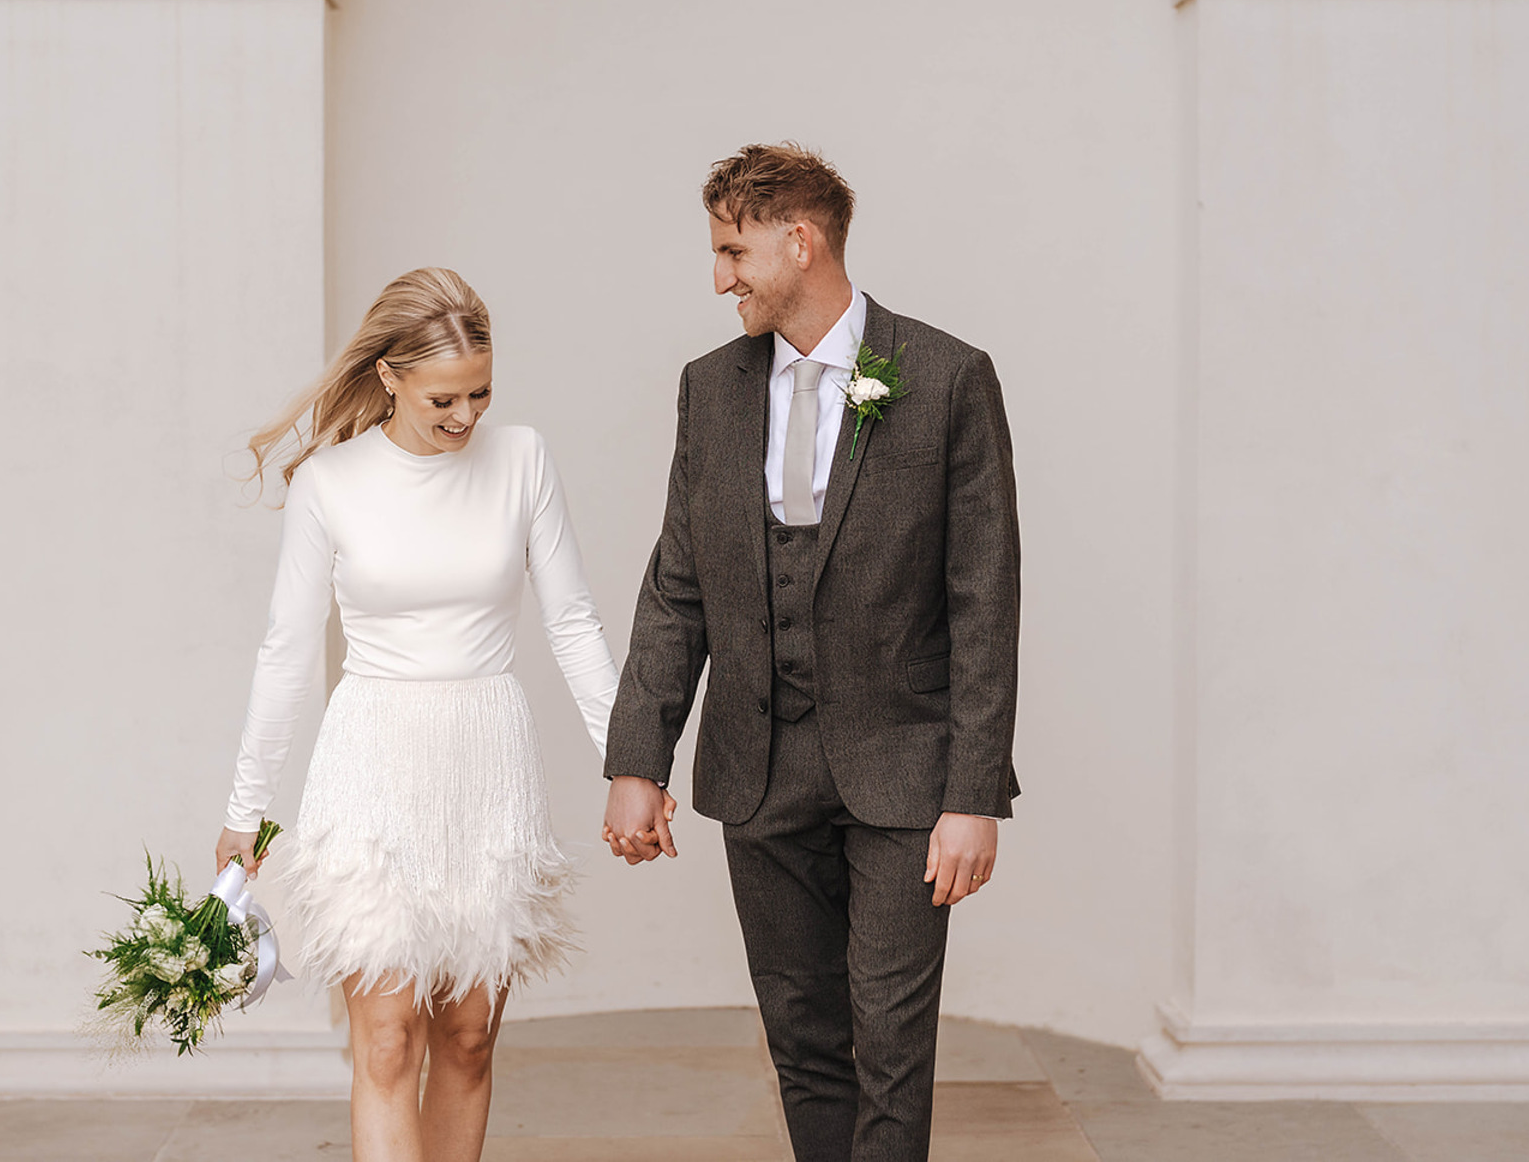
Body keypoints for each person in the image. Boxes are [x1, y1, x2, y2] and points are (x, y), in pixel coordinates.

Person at [602, 144, 1022, 1162]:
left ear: (803, 239)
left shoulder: (944, 376)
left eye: (733, 248)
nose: (720, 277)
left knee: (889, 1041)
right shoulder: (712, 389)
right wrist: (636, 760)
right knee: (803, 1041)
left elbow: (984, 599)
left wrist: (974, 791)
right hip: (759, 771)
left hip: (904, 773)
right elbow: (678, 588)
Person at [216, 267, 663, 1162]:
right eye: (443, 399)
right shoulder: (330, 484)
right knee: (387, 1041)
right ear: (388, 378)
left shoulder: (523, 457)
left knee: (467, 1038)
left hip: (487, 762)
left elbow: (572, 622)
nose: (467, 418)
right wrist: (244, 809)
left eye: (482, 393)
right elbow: (286, 651)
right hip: (373, 762)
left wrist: (633, 764)